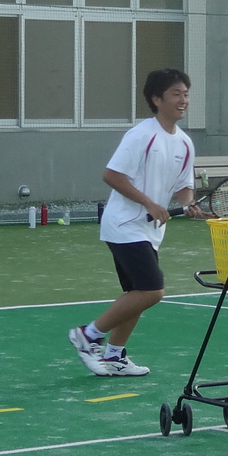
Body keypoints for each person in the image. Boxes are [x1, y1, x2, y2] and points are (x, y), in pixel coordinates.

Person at [67, 69, 205, 377]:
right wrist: (150, 203)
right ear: (156, 100)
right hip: (124, 225)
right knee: (152, 291)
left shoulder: (184, 143)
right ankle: (87, 335)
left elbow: (183, 185)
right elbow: (112, 175)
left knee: (136, 296)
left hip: (149, 231)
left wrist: (187, 203)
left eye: (186, 93)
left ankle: (114, 355)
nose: (183, 100)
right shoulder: (141, 135)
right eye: (175, 94)